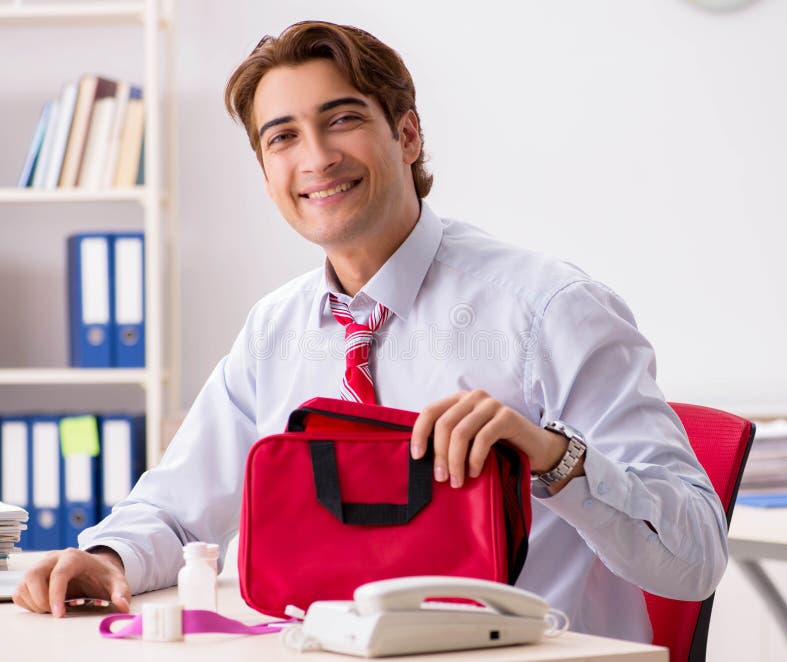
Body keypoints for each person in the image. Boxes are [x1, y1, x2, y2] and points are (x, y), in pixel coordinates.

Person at [13, 20, 728, 643]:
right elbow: (177, 511)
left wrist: (550, 458)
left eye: (343, 119)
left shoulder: (550, 308)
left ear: (407, 134)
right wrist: (107, 559)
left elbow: (696, 557)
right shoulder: (276, 331)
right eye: (283, 137)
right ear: (266, 172)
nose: (316, 157)